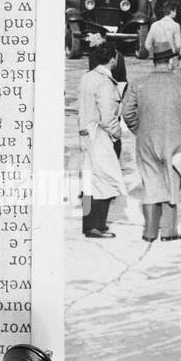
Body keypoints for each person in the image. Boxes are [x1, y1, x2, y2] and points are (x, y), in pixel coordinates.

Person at [123, 46, 181, 243]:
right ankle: (168, 231)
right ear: (172, 61)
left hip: (146, 139)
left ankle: (149, 232)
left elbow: (127, 113)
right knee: (173, 182)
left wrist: (139, 130)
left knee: (150, 182)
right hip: (176, 140)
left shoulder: (139, 84)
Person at [77, 44, 126, 238]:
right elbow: (107, 116)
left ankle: (88, 222)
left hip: (85, 133)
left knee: (89, 180)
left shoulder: (86, 77)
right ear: (113, 59)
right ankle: (95, 225)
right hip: (100, 134)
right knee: (105, 180)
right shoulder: (105, 83)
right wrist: (117, 134)